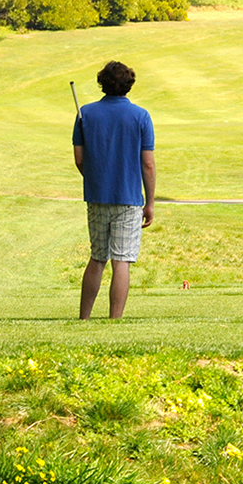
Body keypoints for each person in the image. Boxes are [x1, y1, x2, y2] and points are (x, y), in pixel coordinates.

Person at [73, 60, 155, 319]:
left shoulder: (85, 113)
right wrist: (150, 202)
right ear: (128, 85)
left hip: (97, 196)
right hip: (129, 198)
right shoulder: (141, 116)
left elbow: (79, 158)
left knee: (98, 257)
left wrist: (96, 178)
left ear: (102, 83)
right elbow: (148, 164)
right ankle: (114, 319)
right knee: (122, 260)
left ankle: (84, 317)